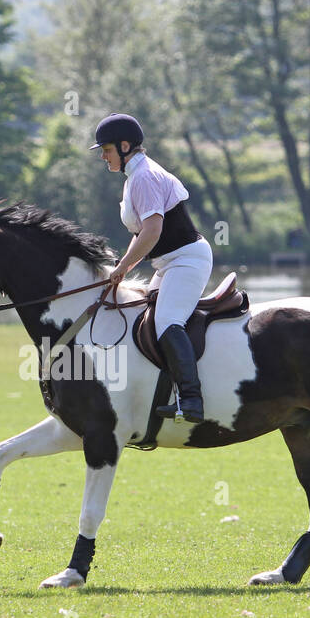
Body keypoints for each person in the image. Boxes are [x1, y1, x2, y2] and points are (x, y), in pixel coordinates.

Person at [91, 113, 212, 423]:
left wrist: (123, 267)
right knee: (143, 320)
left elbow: (152, 232)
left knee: (168, 321)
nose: (103, 156)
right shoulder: (135, 177)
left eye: (106, 149)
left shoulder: (144, 177)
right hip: (170, 262)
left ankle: (191, 401)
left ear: (125, 145)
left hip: (186, 260)